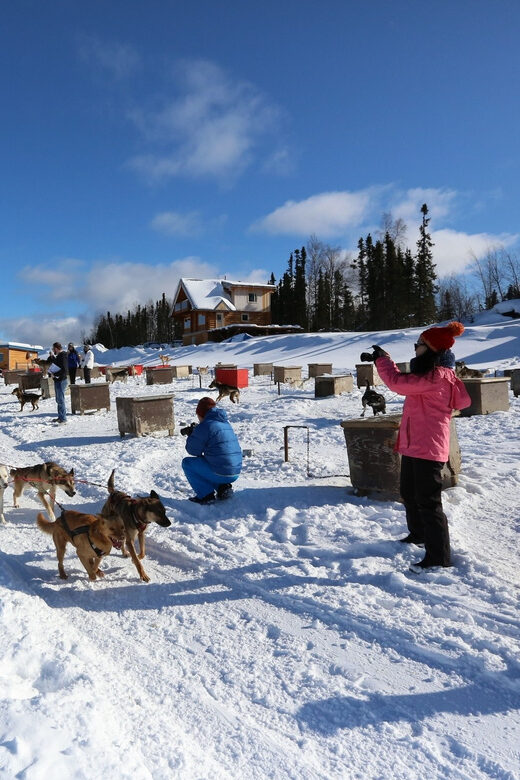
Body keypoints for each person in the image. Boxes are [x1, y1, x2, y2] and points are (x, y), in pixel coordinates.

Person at [360, 321, 471, 570]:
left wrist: (382, 360)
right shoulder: (431, 374)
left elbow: (397, 383)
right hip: (414, 444)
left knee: (429, 502)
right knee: (409, 493)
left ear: (432, 349)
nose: (415, 349)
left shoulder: (436, 377)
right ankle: (418, 534)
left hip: (427, 447)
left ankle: (438, 557)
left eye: (418, 344)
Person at [182, 397, 242, 504]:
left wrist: (192, 435)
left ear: (201, 414)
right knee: (211, 461)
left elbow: (192, 450)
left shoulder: (205, 426)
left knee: (187, 463)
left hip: (221, 472)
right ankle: (223, 487)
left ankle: (206, 495)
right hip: (235, 471)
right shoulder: (225, 423)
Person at [48, 342, 69, 424]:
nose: (53, 350)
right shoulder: (59, 356)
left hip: (61, 380)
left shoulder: (63, 356)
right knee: (58, 400)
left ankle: (63, 419)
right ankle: (60, 417)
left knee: (61, 400)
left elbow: (64, 370)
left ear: (56, 348)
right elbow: (57, 365)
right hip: (57, 380)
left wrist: (55, 374)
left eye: (53, 349)